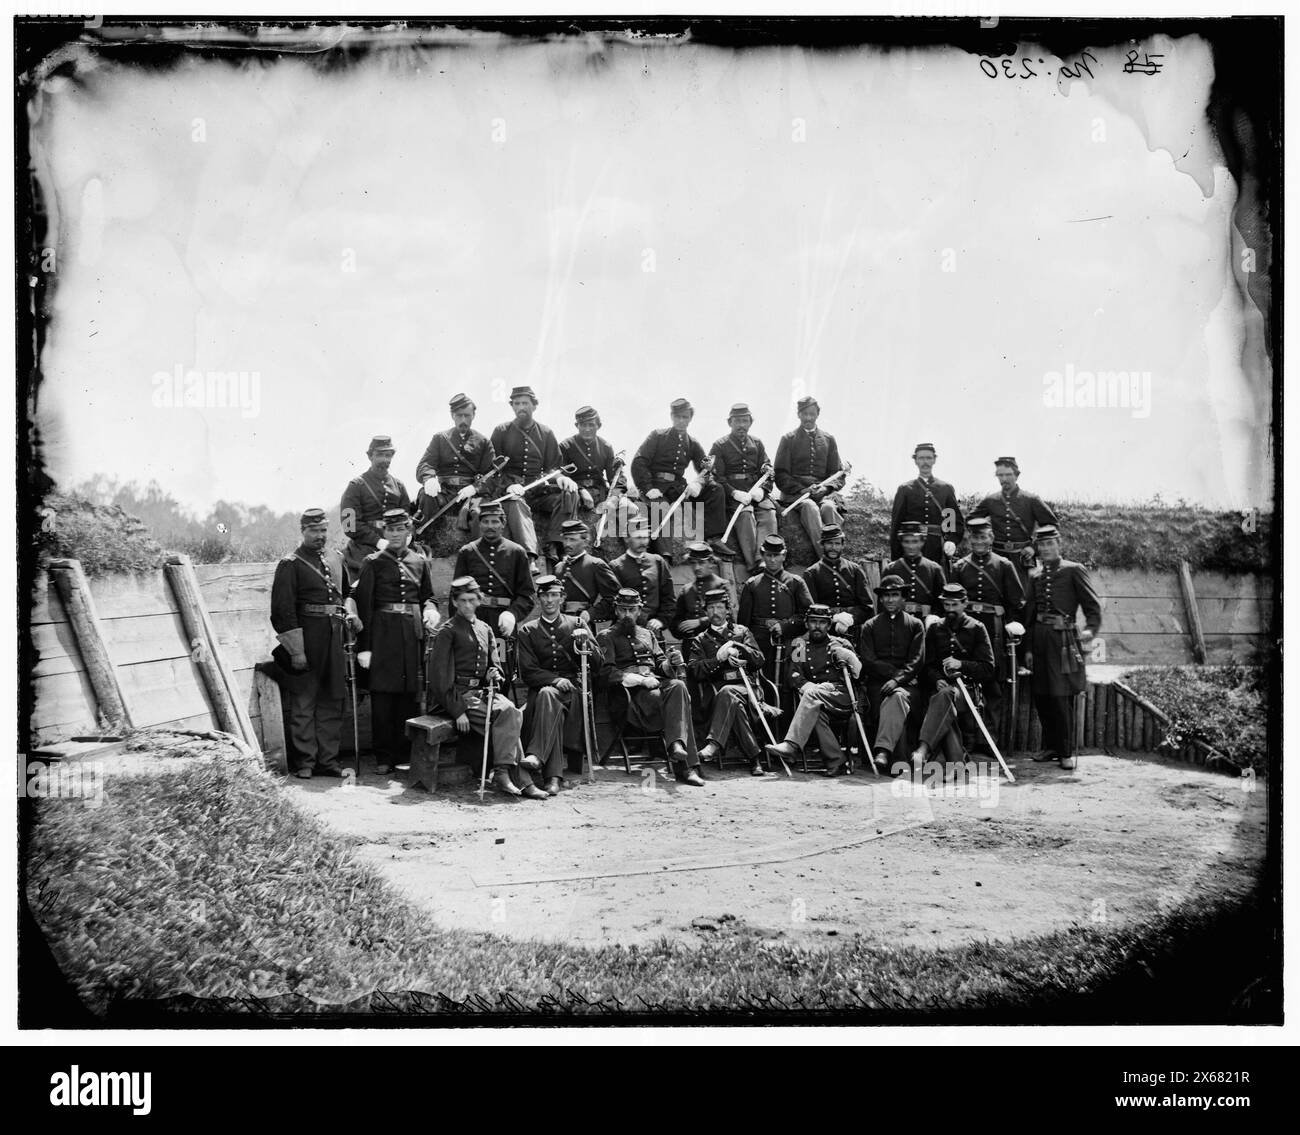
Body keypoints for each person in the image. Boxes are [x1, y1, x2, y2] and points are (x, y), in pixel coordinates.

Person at [428, 576, 546, 799]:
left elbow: (496, 666)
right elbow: (439, 678)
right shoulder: (448, 631)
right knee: (509, 719)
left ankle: (502, 772)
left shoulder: (486, 629)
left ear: (479, 600)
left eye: (471, 600)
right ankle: (520, 780)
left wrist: (495, 674)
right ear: (453, 602)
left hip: (483, 694)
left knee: (510, 710)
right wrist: (458, 711)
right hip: (457, 697)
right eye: (461, 600)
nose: (466, 605)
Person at [352, 509, 442, 775]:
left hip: (411, 634)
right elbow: (364, 605)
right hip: (382, 634)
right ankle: (383, 756)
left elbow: (429, 596)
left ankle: (404, 753)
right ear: (383, 532)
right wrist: (365, 646)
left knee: (408, 695)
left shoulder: (419, 561)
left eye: (399, 529)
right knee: (382, 697)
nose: (394, 534)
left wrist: (430, 609)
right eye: (389, 530)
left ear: (408, 531)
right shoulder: (373, 562)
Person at [270, 508, 356, 780]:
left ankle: (328, 761)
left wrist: (351, 614)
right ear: (303, 531)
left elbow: (348, 594)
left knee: (332, 700)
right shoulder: (290, 564)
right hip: (307, 639)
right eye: (314, 531)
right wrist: (296, 650)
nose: (320, 536)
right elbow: (282, 611)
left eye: (323, 531)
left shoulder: (336, 557)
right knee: (304, 702)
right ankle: (306, 762)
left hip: (334, 639)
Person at [598, 589, 705, 786]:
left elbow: (661, 666)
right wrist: (639, 679)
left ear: (639, 611)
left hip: (656, 687)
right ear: (616, 610)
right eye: (623, 610)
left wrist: (672, 662)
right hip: (629, 697)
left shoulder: (648, 634)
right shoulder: (606, 636)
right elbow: (606, 674)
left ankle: (676, 745)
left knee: (679, 686)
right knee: (672, 699)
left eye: (632, 610)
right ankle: (686, 766)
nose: (627, 615)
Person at [1024, 525, 1101, 771]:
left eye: (1050, 544)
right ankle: (1051, 747)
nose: (1045, 549)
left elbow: (1092, 606)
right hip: (1039, 639)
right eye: (1041, 545)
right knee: (1042, 695)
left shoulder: (1074, 570)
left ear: (1059, 545)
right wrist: (1027, 648)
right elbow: (1029, 614)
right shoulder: (1035, 575)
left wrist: (1090, 630)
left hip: (1063, 640)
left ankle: (1066, 751)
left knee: (1060, 695)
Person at [516, 575, 596, 794]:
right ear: (538, 599)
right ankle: (553, 778)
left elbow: (598, 663)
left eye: (554, 595)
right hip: (541, 694)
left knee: (547, 697)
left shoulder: (577, 624)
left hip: (573, 694)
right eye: (544, 595)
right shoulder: (527, 630)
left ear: (562, 598)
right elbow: (528, 671)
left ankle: (537, 756)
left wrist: (585, 642)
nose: (549, 600)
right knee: (547, 696)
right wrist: (554, 680)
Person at [949, 516, 1026, 739]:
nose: (979, 541)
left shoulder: (1004, 565)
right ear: (969, 539)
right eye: (975, 537)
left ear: (991, 538)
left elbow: (1017, 600)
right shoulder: (959, 566)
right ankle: (968, 738)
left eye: (983, 537)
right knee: (966, 681)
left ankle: (988, 739)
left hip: (994, 630)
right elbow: (951, 602)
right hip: (967, 631)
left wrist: (1012, 622)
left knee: (992, 683)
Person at [762, 604, 862, 775]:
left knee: (811, 698)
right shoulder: (799, 645)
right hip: (814, 698)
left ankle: (791, 745)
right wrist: (809, 687)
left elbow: (857, 674)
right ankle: (836, 762)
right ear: (807, 624)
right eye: (813, 622)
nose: (817, 626)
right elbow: (794, 674)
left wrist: (849, 658)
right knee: (815, 712)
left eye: (822, 623)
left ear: (829, 625)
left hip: (841, 696)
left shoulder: (841, 643)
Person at [631, 397, 731, 559]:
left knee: (716, 489)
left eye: (685, 417)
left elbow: (706, 470)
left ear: (690, 418)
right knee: (660, 507)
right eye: (678, 417)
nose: (681, 421)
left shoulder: (692, 443)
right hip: (656, 487)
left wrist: (698, 483)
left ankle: (713, 538)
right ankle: (665, 554)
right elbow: (639, 462)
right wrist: (648, 488)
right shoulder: (658, 435)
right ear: (672, 416)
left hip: (678, 488)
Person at [688, 587, 775, 776]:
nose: (715, 612)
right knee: (731, 700)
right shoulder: (701, 640)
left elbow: (760, 659)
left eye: (719, 607)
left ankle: (713, 744)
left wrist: (739, 648)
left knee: (730, 695)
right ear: (705, 612)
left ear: (727, 610)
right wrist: (718, 660)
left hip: (750, 690)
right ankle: (755, 759)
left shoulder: (742, 632)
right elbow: (694, 670)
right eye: (710, 609)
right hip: (718, 696)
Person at [490, 385, 580, 564]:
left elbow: (553, 467)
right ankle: (529, 556)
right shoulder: (501, 431)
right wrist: (508, 484)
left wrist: (562, 478)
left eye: (525, 403)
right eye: (516, 403)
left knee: (569, 494)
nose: (521, 407)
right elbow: (493, 469)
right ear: (512, 406)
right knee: (516, 503)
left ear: (534, 406)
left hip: (537, 492)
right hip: (511, 492)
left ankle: (555, 543)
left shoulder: (546, 433)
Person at [909, 584, 995, 770]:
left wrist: (962, 664)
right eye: (946, 605)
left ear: (965, 604)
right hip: (941, 689)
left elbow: (988, 669)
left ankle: (923, 749)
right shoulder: (935, 629)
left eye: (954, 605)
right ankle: (957, 763)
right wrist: (935, 679)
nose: (950, 610)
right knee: (944, 701)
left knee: (944, 698)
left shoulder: (977, 628)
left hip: (968, 691)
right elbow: (925, 665)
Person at [858, 574, 926, 773]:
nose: (889, 600)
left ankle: (883, 752)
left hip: (908, 686)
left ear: (903, 597)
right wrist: (893, 677)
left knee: (897, 697)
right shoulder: (870, 626)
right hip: (878, 685)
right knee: (893, 699)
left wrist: (897, 680)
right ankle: (897, 759)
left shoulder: (915, 625)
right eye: (885, 595)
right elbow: (868, 660)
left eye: (895, 595)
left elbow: (917, 660)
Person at [414, 392, 499, 542]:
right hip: (444, 492)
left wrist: (476, 488)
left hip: (470, 495)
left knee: (480, 512)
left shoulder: (484, 442)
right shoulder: (440, 439)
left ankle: (478, 553)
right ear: (452, 415)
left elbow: (492, 476)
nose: (463, 420)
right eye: (459, 415)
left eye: (467, 415)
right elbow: (425, 464)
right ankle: (428, 543)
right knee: (427, 497)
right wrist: (429, 479)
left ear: (474, 415)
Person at [967, 456, 1059, 594]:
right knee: (997, 593)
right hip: (997, 556)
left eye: (1008, 474)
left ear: (1016, 475)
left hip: (1022, 558)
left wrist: (1033, 548)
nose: (1004, 479)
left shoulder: (1031, 500)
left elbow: (1051, 525)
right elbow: (971, 520)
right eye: (1000, 475)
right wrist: (985, 537)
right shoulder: (991, 500)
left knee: (1024, 596)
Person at [738, 534, 812, 695]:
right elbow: (743, 624)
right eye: (769, 555)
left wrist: (785, 626)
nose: (772, 560)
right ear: (763, 555)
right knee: (762, 686)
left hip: (792, 644)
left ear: (784, 555)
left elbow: (808, 615)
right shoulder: (752, 585)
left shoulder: (796, 582)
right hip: (759, 645)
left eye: (776, 555)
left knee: (792, 683)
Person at [451, 501, 535, 638]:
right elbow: (455, 593)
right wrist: (457, 626)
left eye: (495, 522)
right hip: (472, 621)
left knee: (502, 658)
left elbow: (527, 595)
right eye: (485, 522)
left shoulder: (517, 552)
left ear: (503, 524)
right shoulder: (467, 552)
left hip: (503, 623)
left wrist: (512, 614)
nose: (490, 526)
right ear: (480, 524)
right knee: (474, 659)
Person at [709, 402, 777, 569]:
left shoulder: (758, 443)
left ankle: (765, 559)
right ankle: (754, 563)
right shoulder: (720, 445)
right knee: (745, 515)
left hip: (755, 491)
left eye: (745, 421)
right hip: (734, 493)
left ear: (750, 422)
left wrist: (763, 489)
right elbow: (716, 477)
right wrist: (734, 493)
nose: (741, 425)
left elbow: (768, 470)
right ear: (729, 423)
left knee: (768, 514)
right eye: (737, 421)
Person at [773, 395, 845, 546]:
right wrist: (802, 489)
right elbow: (780, 473)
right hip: (796, 495)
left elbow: (838, 474)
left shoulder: (828, 439)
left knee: (828, 507)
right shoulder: (788, 439)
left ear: (818, 414)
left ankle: (836, 551)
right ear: (798, 415)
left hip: (822, 493)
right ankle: (824, 555)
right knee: (810, 507)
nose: (808, 418)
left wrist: (825, 488)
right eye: (804, 414)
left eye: (812, 414)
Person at [340, 435, 413, 584]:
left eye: (388, 455)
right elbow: (350, 526)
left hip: (396, 543)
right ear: (370, 456)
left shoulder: (398, 486)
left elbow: (408, 518)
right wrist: (378, 541)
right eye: (379, 454)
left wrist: (408, 534)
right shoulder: (356, 486)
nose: (384, 460)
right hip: (364, 548)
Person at [559, 405, 637, 538]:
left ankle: (630, 547)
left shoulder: (605, 447)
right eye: (583, 425)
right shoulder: (566, 446)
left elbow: (616, 478)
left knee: (631, 508)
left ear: (598, 426)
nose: (587, 429)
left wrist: (613, 497)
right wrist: (580, 490)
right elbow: (561, 474)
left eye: (591, 425)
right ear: (576, 425)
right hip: (575, 492)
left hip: (600, 492)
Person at [889, 442, 963, 567]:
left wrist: (951, 541)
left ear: (934, 460)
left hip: (937, 547)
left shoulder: (946, 488)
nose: (925, 462)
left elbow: (953, 520)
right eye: (921, 458)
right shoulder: (905, 489)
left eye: (929, 458)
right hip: (911, 547)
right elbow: (896, 525)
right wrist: (896, 557)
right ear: (915, 461)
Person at [802, 524, 874, 641]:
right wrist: (833, 618)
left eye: (837, 544)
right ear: (822, 545)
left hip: (854, 632)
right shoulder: (812, 573)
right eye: (829, 543)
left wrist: (852, 618)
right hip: (824, 634)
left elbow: (867, 607)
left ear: (842, 545)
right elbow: (809, 608)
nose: (833, 548)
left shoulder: (855, 570)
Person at [606, 514, 675, 629]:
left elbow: (669, 597)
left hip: (653, 627)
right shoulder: (616, 566)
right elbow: (611, 602)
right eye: (638, 538)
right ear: (627, 538)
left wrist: (661, 620)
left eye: (645, 537)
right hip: (625, 628)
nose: (643, 542)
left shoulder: (657, 561)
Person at [554, 518, 620, 620]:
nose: (567, 544)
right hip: (559, 622)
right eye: (565, 539)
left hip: (582, 623)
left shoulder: (595, 565)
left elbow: (614, 598)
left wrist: (591, 613)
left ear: (585, 542)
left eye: (572, 539)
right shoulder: (558, 567)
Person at [671, 543, 733, 649]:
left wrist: (700, 622)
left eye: (701, 563)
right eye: (693, 563)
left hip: (716, 645)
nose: (697, 567)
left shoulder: (722, 585)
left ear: (711, 563)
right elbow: (676, 620)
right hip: (691, 646)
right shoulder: (686, 590)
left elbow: (730, 616)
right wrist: (683, 628)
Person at [884, 520, 947, 619]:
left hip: (926, 622)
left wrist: (934, 619)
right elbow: (883, 602)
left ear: (922, 542)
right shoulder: (891, 569)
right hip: (898, 622)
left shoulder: (934, 569)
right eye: (906, 541)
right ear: (901, 542)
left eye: (915, 541)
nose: (911, 546)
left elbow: (942, 602)